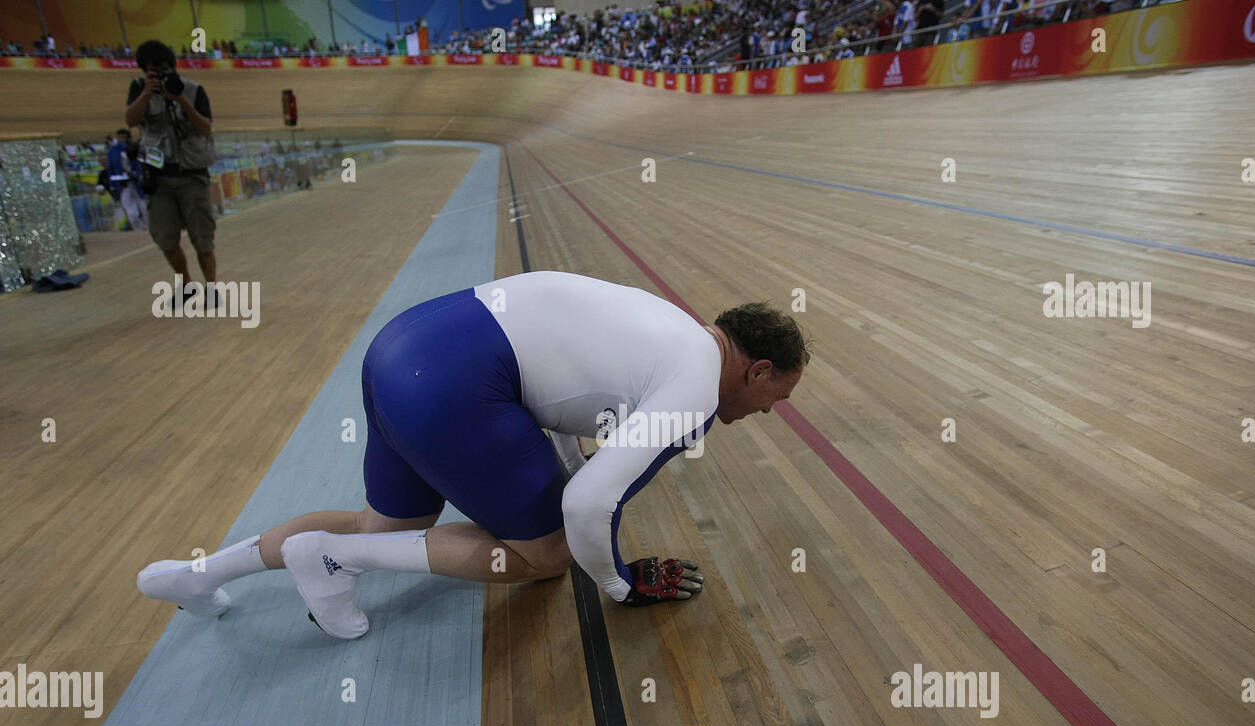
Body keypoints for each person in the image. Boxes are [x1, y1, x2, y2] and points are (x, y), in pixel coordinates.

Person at [137, 271, 810, 638]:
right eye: (776, 397)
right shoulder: (696, 391)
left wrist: (567, 479)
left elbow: (564, 412)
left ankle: (196, 575)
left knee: (385, 526)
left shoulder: (672, 328)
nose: (768, 412)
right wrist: (620, 584)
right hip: (455, 384)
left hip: (407, 347)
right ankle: (333, 558)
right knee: (548, 557)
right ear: (757, 369)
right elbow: (587, 504)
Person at [124, 38, 219, 308]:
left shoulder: (193, 90)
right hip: (159, 177)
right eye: (152, 70)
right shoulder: (139, 89)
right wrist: (147, 93)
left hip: (192, 174)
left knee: (203, 238)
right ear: (145, 71)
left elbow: (206, 128)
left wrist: (181, 100)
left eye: (163, 68)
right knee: (165, 238)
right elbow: (130, 120)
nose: (159, 74)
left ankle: (212, 288)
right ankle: (187, 285)